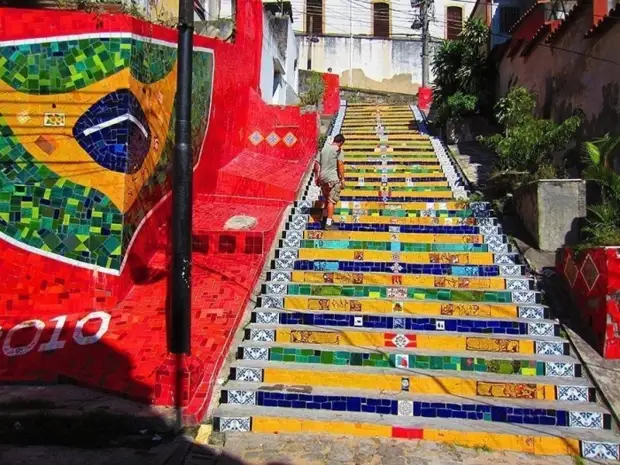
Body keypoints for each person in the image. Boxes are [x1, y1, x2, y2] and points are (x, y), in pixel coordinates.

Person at [314, 134, 346, 230]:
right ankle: (328, 223)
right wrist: (342, 179)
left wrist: (317, 177)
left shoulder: (324, 149)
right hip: (333, 179)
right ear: (341, 142)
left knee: (326, 200)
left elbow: (316, 164)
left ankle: (323, 219)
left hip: (323, 178)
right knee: (331, 201)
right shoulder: (338, 150)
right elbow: (340, 164)